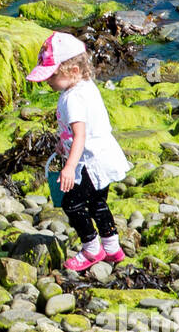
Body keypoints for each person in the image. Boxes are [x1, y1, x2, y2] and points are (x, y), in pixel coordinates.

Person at [27, 32, 131, 272]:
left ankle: (92, 249)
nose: (47, 81)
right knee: (98, 202)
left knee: (71, 203)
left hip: (89, 162)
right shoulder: (86, 86)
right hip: (105, 155)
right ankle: (112, 246)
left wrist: (69, 166)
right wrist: (61, 144)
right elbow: (81, 131)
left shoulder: (71, 99)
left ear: (73, 71)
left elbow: (80, 136)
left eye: (52, 75)